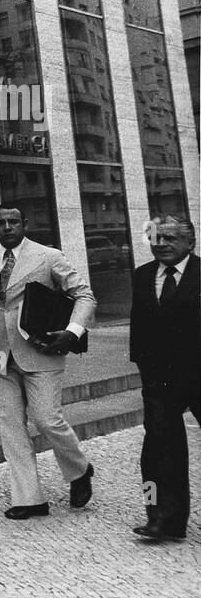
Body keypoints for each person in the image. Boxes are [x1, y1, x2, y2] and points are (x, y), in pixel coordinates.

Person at [0, 204, 96, 519]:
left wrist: (73, 332)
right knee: (9, 424)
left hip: (41, 350)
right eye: (1, 223)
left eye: (14, 221)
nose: (8, 227)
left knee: (47, 419)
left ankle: (79, 470)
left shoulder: (48, 257)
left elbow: (85, 295)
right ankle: (29, 498)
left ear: (25, 224)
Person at [129, 215, 198, 542]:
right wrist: (144, 367)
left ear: (190, 243)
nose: (161, 245)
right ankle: (160, 518)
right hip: (160, 381)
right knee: (157, 452)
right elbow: (139, 327)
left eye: (170, 238)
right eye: (156, 238)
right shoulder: (142, 275)